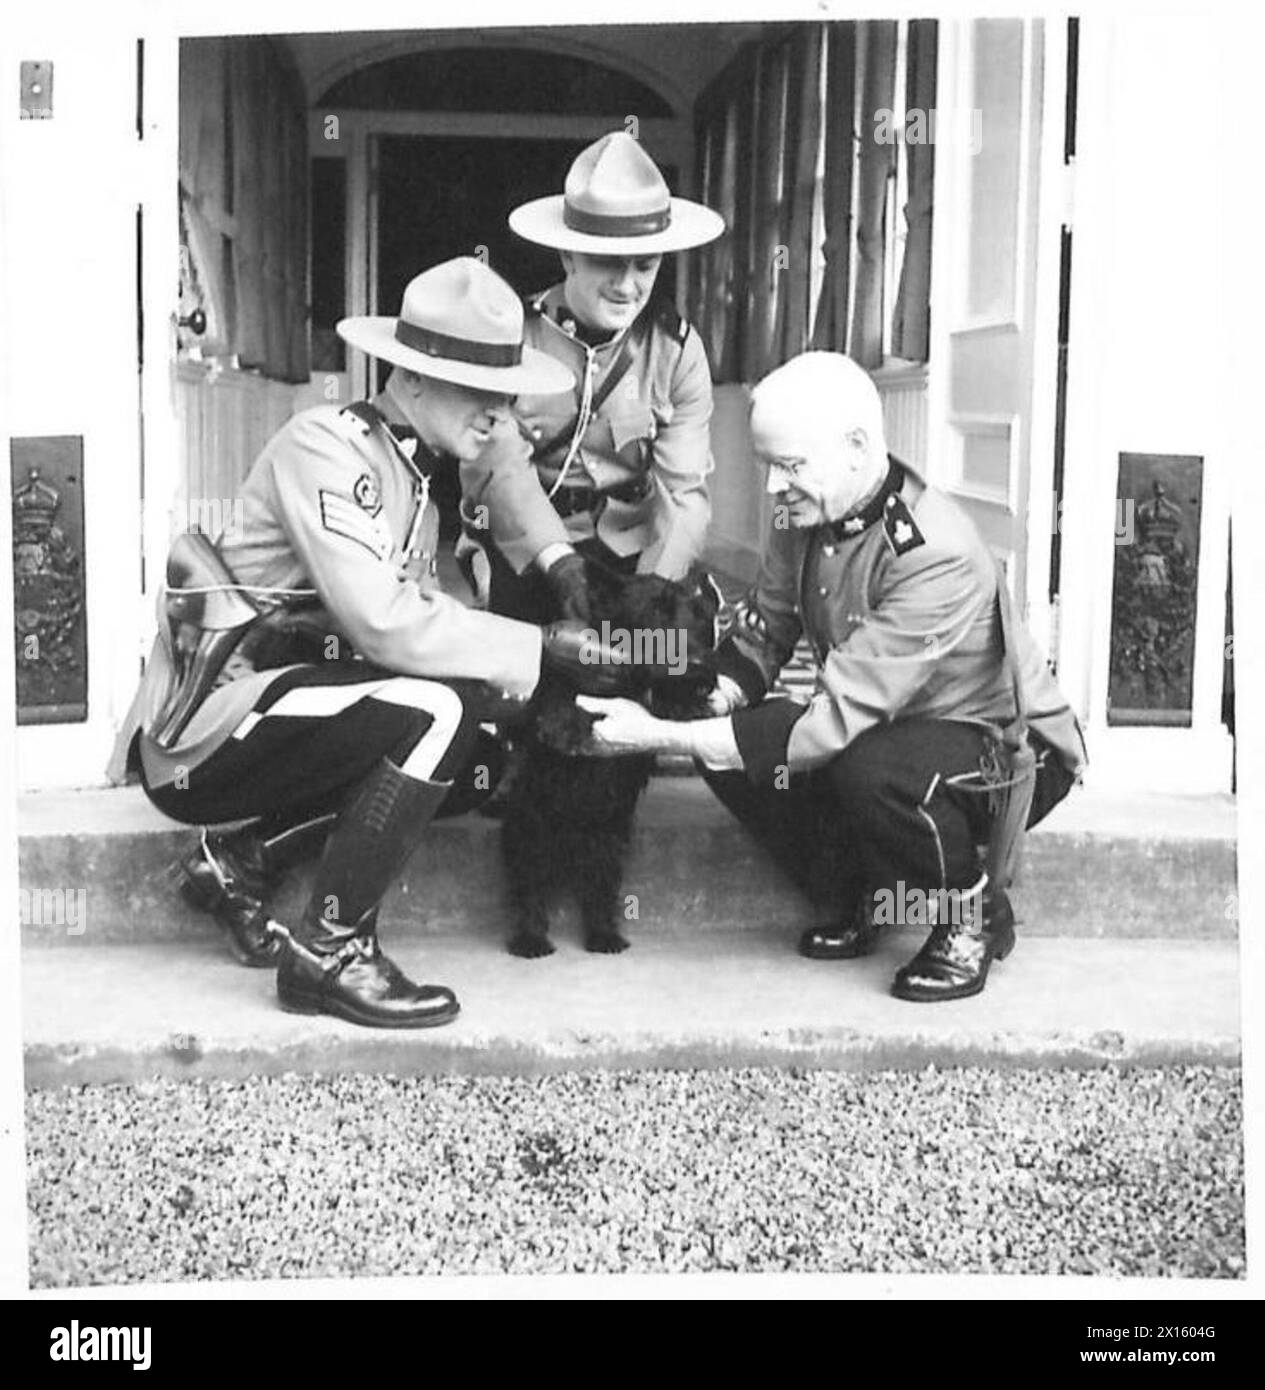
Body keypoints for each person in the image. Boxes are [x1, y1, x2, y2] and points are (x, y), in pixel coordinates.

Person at [108, 257, 628, 1028]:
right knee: (437, 712)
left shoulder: (409, 473)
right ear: (410, 379)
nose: (498, 415)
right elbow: (384, 621)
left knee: (479, 751)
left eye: (506, 396)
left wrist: (519, 676)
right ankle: (330, 952)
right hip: (206, 729)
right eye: (476, 390)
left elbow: (409, 627)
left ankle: (239, 863)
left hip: (282, 706)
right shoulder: (328, 447)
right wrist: (541, 646)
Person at [576, 352, 1088, 1003]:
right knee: (732, 744)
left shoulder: (934, 553)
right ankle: (864, 892)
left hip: (1003, 749)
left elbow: (835, 720)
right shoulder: (810, 504)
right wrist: (710, 702)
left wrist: (651, 735)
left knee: (866, 768)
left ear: (855, 447)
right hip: (888, 727)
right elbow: (767, 628)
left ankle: (972, 917)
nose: (771, 489)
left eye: (789, 466)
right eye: (769, 467)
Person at [458, 130, 726, 627]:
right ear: (567, 257)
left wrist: (656, 590)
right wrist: (558, 563)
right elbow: (495, 470)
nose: (628, 287)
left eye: (645, 266)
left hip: (630, 548)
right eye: (607, 263)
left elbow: (683, 495)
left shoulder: (677, 351)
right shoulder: (515, 339)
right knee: (530, 677)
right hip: (525, 543)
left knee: (664, 662)